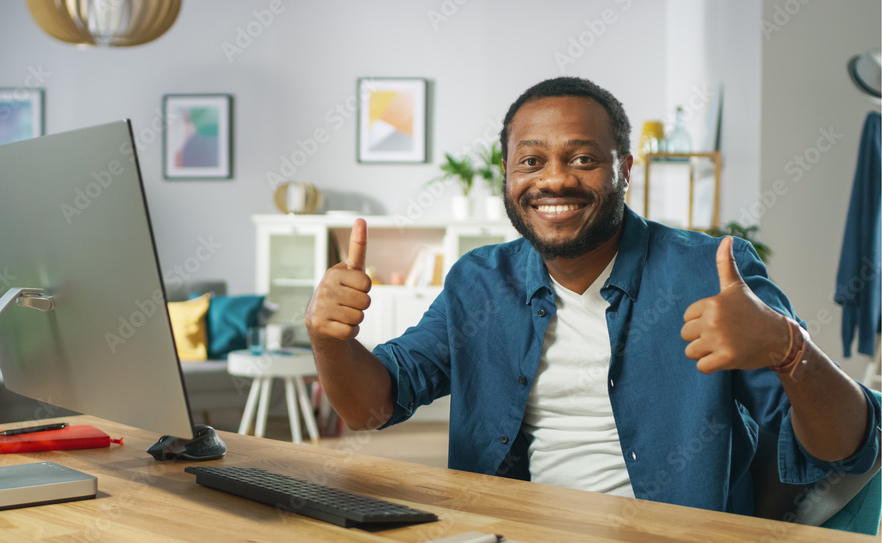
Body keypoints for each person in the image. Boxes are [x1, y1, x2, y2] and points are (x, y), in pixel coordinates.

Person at [304, 77, 880, 515]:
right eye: (531, 161)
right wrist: (330, 342)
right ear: (507, 174)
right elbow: (370, 407)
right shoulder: (478, 281)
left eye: (583, 159)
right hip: (512, 537)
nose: (554, 179)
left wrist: (788, 348)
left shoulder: (709, 271)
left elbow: (845, 449)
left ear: (625, 170)